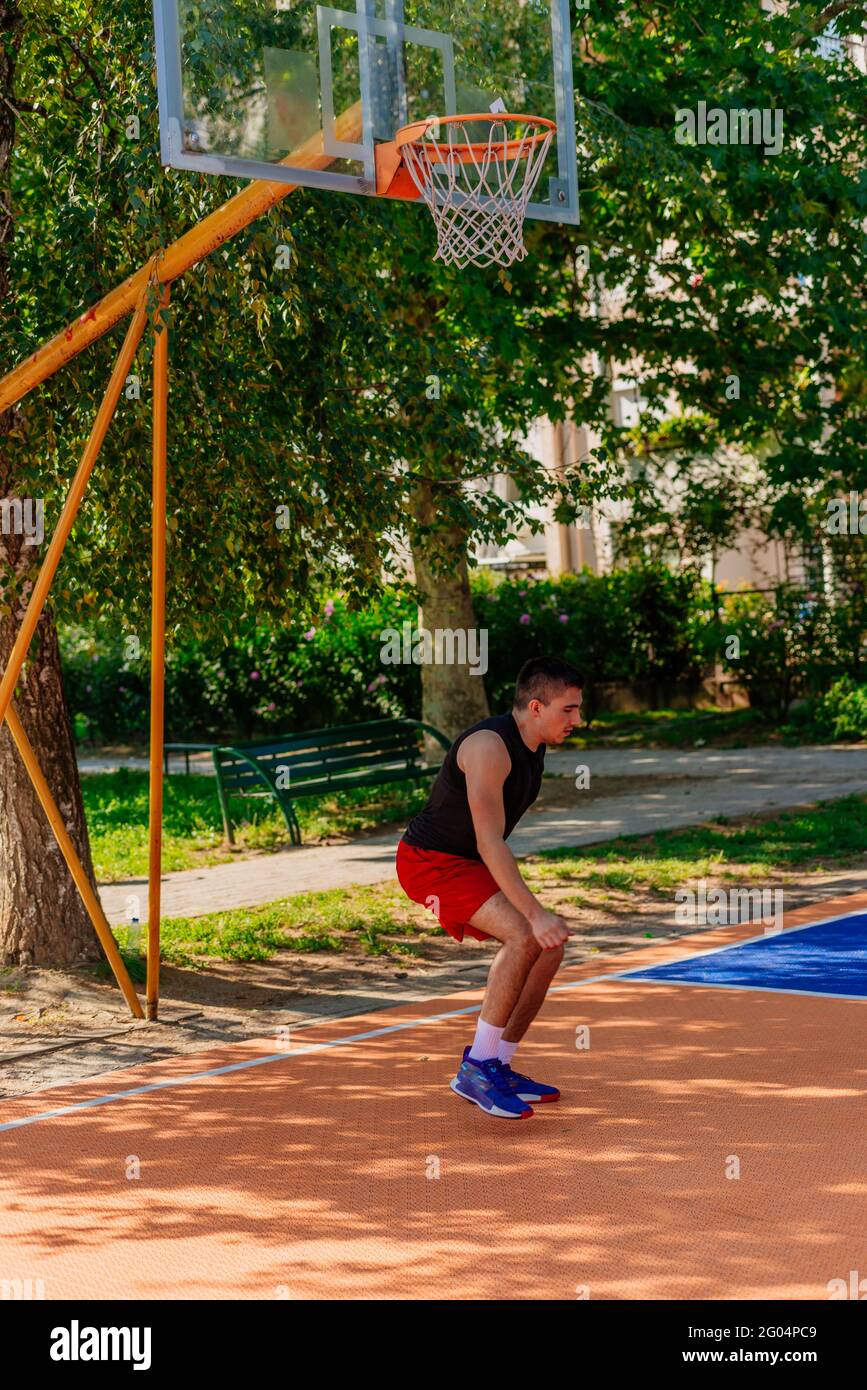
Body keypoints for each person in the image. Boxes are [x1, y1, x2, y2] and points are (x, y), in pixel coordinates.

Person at [396, 656, 583, 1119]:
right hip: (429, 863)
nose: (578, 720)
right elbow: (488, 838)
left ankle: (498, 1061)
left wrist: (538, 918)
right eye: (569, 710)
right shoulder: (488, 747)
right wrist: (535, 913)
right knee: (525, 934)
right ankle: (476, 1068)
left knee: (548, 948)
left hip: (465, 861)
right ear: (536, 707)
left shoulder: (533, 743)